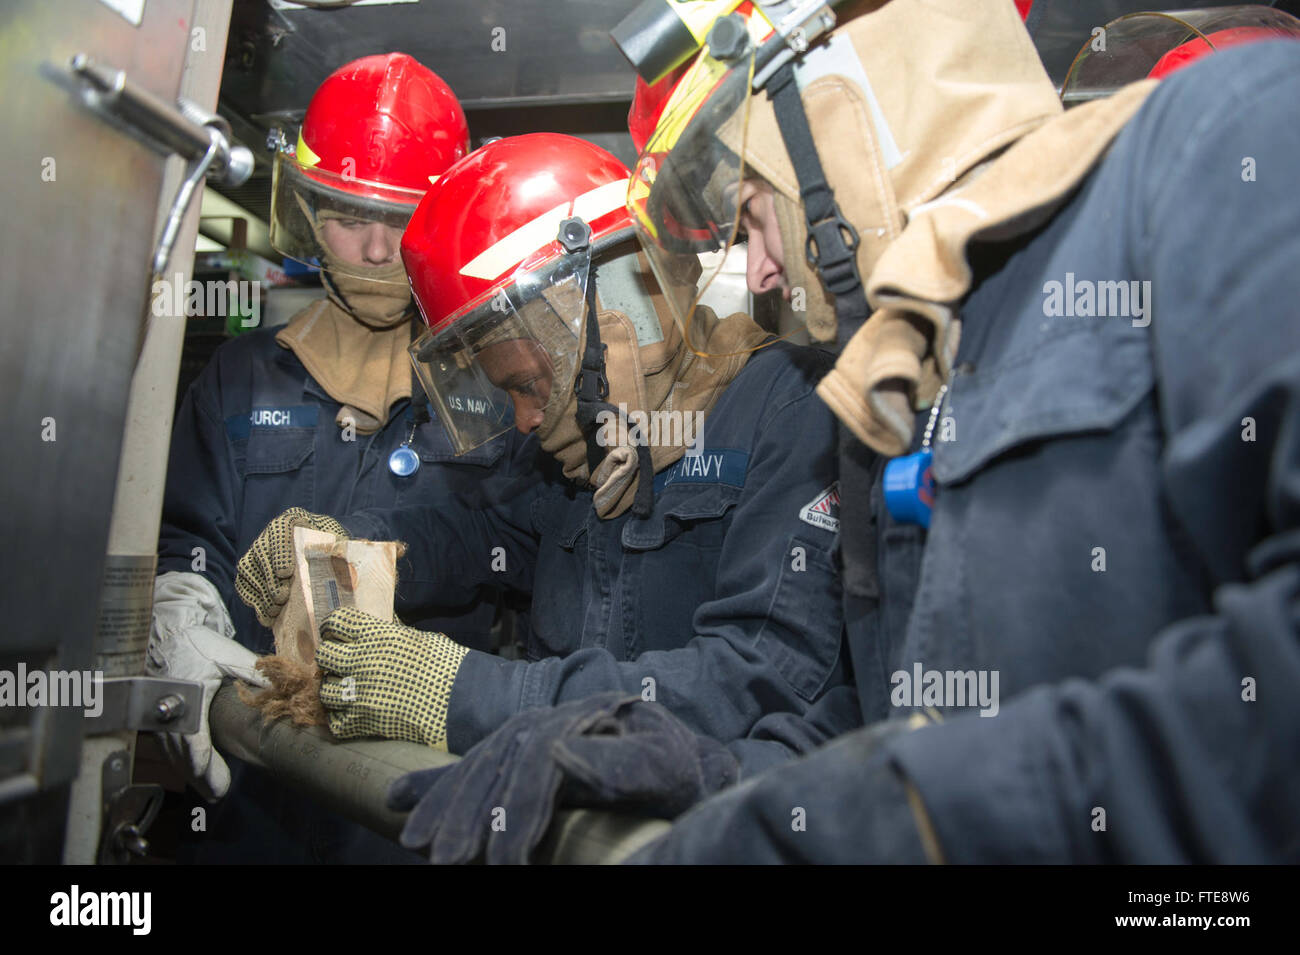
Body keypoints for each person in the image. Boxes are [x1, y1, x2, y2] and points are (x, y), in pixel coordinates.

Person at [384, 0, 1300, 864]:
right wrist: (695, 772)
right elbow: (876, 731)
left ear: (846, 99)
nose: (761, 272)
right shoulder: (889, 406)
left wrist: (864, 824)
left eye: (750, 209)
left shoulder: (1229, 141)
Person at [236, 132, 848, 759]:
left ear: (620, 314)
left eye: (530, 385)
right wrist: (346, 542)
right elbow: (473, 533)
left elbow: (754, 679)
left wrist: (466, 695)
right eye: (511, 395)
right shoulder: (581, 440)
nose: (527, 421)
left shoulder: (793, 411)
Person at [149, 53, 524, 862]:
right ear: (312, 212)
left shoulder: (501, 386)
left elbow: (521, 560)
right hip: (247, 781)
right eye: (352, 214)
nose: (380, 247)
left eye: (403, 219)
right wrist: (179, 604)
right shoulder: (242, 377)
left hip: (414, 800)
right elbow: (189, 538)